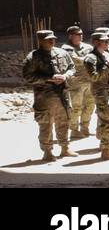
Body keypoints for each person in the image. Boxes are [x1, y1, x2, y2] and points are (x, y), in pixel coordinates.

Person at [22, 30, 76, 161]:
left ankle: (65, 147)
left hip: (62, 94)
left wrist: (65, 76)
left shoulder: (62, 53)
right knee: (46, 124)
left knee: (64, 121)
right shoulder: (33, 57)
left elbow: (72, 68)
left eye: (53, 39)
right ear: (40, 41)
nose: (52, 41)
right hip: (44, 97)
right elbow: (28, 77)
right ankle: (47, 151)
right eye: (48, 39)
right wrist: (49, 78)